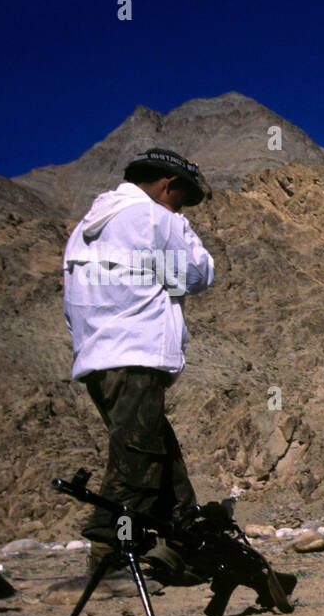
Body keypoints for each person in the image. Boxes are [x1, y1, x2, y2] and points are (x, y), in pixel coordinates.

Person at [62, 148, 213, 578]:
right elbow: (197, 274)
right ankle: (110, 556)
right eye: (182, 199)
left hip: (98, 359)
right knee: (139, 464)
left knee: (158, 455)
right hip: (135, 356)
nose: (181, 207)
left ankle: (184, 548)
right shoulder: (154, 219)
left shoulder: (88, 227)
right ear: (168, 186)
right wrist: (181, 230)